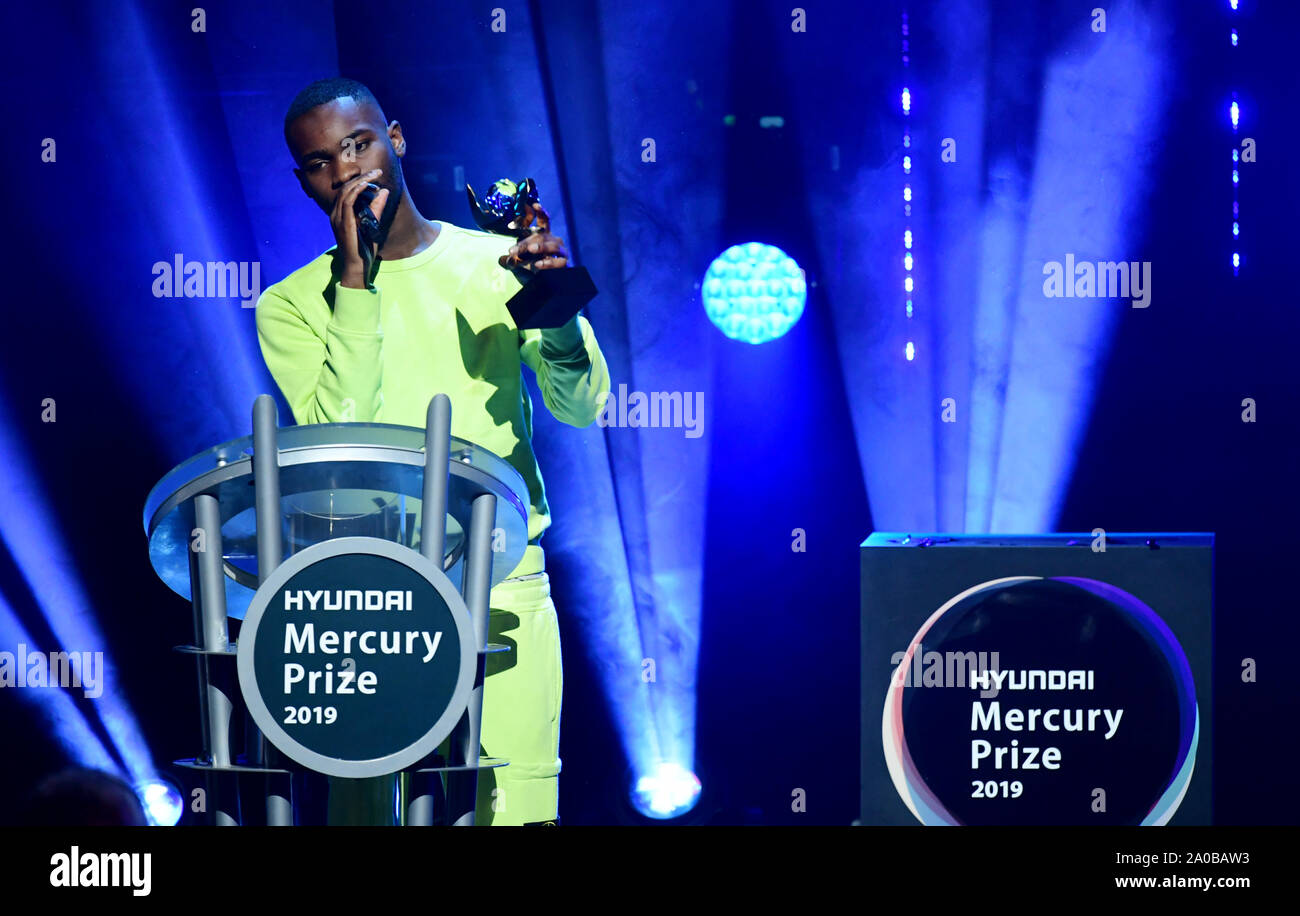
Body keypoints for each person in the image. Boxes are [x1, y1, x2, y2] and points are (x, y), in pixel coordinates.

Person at [257, 77, 610, 825]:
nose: (347, 171)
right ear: (304, 183)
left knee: (514, 814)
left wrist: (555, 313)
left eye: (358, 144)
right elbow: (337, 438)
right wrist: (358, 279)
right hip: (369, 598)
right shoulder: (290, 304)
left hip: (504, 586)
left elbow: (581, 406)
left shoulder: (495, 261)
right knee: (371, 816)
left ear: (396, 139)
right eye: (322, 162)